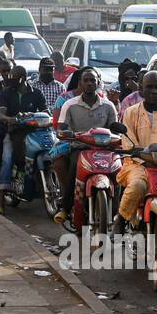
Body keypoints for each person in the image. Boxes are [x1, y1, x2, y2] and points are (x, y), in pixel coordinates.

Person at [115, 70, 157, 234]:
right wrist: (140, 154)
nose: (154, 91)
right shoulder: (131, 112)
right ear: (141, 88)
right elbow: (128, 141)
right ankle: (121, 218)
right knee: (138, 185)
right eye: (150, 87)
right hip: (139, 164)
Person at [53, 67, 119, 224]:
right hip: (79, 148)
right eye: (86, 80)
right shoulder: (69, 104)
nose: (89, 83)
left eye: (93, 80)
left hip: (104, 150)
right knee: (75, 165)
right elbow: (61, 129)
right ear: (80, 83)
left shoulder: (108, 106)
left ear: (98, 82)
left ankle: (118, 210)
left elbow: (115, 129)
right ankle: (66, 207)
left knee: (119, 170)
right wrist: (67, 134)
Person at [0, 65, 47, 193]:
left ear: (22, 78)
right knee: (7, 160)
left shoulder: (37, 93)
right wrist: (10, 119)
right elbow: (0, 115)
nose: (10, 79)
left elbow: (46, 111)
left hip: (33, 132)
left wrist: (41, 116)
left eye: (13, 78)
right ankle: (1, 198)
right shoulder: (5, 92)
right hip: (13, 131)